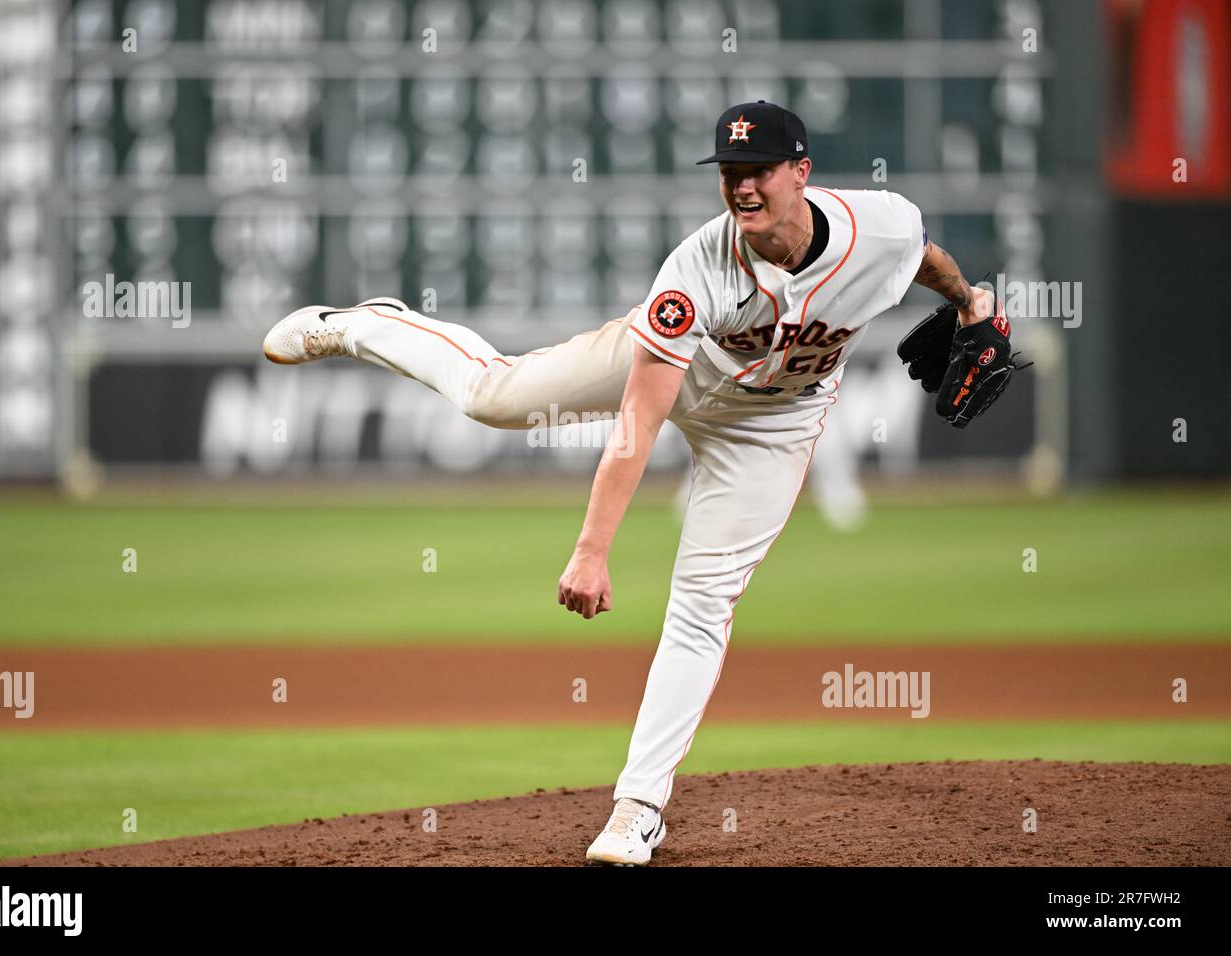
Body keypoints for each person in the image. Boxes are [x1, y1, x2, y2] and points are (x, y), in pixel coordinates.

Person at [263, 101, 999, 866]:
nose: (742, 188)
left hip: (772, 425)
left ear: (801, 172)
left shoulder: (878, 226)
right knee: (494, 398)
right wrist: (591, 549)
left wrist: (969, 301)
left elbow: (924, 259)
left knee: (704, 601)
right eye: (729, 173)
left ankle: (637, 810)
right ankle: (363, 324)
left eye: (758, 172)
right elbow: (636, 425)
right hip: (678, 376)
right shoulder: (696, 269)